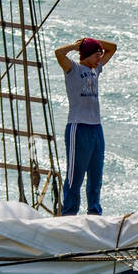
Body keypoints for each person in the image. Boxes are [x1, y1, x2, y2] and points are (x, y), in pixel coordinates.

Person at [54, 36, 117, 215]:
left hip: (96, 128)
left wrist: (93, 41)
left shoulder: (96, 69)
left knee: (96, 174)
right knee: (75, 176)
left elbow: (113, 48)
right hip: (78, 127)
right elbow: (58, 53)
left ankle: (94, 212)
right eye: (96, 55)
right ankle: (69, 213)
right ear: (87, 55)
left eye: (100, 55)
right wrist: (76, 46)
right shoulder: (73, 69)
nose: (100, 58)